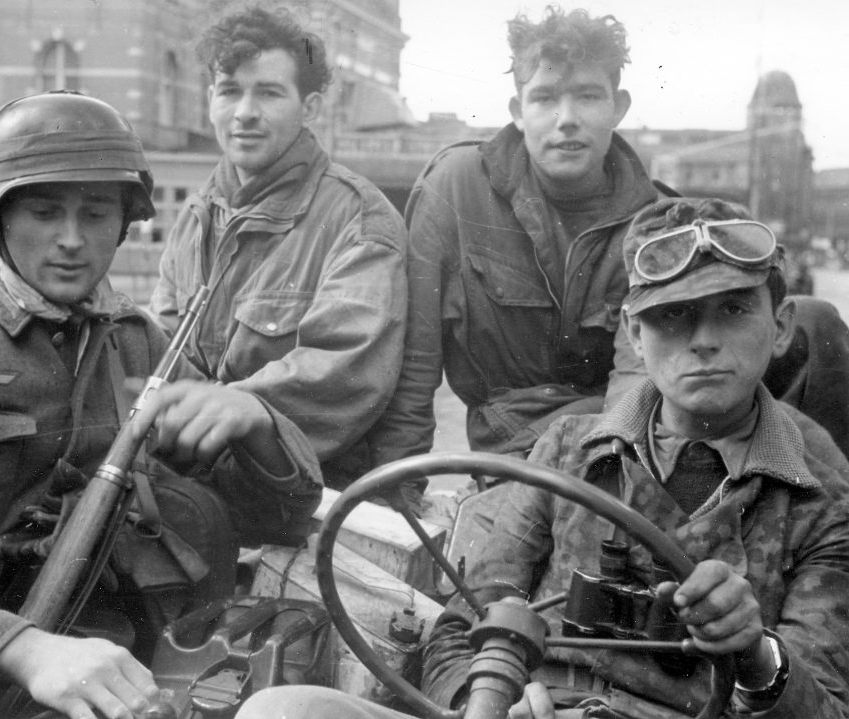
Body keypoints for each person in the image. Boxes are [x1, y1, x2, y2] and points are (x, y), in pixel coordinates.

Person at [235, 197, 849, 718]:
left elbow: (826, 702)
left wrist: (755, 652)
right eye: (671, 317)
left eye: (735, 309)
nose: (704, 340)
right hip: (527, 705)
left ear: (783, 325)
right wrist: (490, 697)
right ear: (634, 335)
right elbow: (457, 631)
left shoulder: (823, 496)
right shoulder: (566, 451)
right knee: (281, 709)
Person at [0, 91, 322, 719]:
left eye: (96, 214)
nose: (72, 240)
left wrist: (257, 422)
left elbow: (269, 519)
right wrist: (22, 651)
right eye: (44, 211)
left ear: (123, 223)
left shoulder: (141, 344)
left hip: (117, 680)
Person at [368, 6, 849, 470]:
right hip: (513, 444)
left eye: (588, 96)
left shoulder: (657, 219)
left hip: (630, 432)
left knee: (812, 322)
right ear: (518, 110)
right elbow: (414, 360)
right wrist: (400, 489)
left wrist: (617, 468)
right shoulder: (456, 184)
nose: (567, 118)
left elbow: (637, 376)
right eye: (545, 98)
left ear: (618, 107)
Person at [150, 6, 407, 489]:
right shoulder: (196, 215)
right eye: (230, 91)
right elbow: (162, 351)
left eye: (268, 93)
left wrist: (245, 407)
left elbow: (344, 373)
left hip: (306, 495)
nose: (245, 112)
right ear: (210, 100)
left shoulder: (358, 221)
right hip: (198, 482)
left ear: (309, 108)